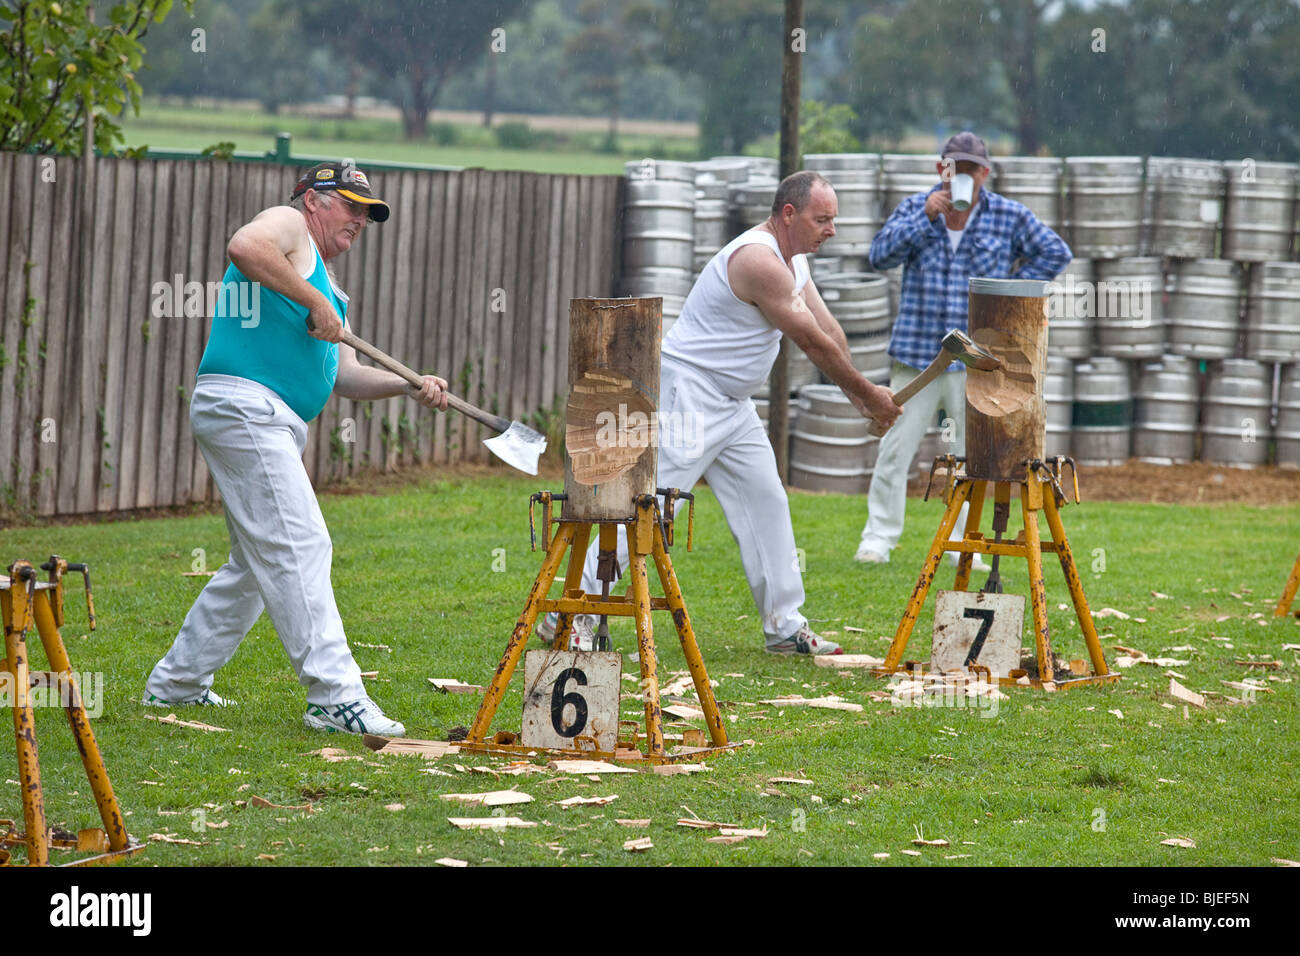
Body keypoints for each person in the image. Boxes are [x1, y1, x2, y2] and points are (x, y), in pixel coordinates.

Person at [142, 162, 449, 737]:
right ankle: (334, 698)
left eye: (367, 212)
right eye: (351, 206)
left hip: (268, 417)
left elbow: (346, 379)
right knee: (302, 543)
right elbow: (243, 245)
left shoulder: (329, 290)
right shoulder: (287, 225)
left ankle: (176, 685)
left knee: (254, 566)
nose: (360, 220)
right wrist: (314, 300)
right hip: (244, 405)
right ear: (314, 199)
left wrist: (411, 384)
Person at [540, 171, 902, 656]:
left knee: (767, 501)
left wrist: (862, 397)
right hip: (689, 394)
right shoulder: (758, 260)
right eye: (823, 220)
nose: (831, 230)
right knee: (644, 504)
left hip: (733, 405)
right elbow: (810, 342)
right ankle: (570, 611)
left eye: (833, 220)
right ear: (788, 214)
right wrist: (866, 395)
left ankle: (784, 626)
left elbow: (828, 329)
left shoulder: (794, 261)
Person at [854, 132, 1071, 566]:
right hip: (918, 354)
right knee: (896, 449)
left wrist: (1008, 294)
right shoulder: (917, 209)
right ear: (942, 170)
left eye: (973, 169)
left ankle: (960, 542)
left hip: (976, 360)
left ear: (985, 173)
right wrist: (924, 218)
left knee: (972, 457)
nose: (965, 176)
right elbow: (877, 256)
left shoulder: (1008, 216)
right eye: (957, 168)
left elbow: (1055, 252)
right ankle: (878, 539)